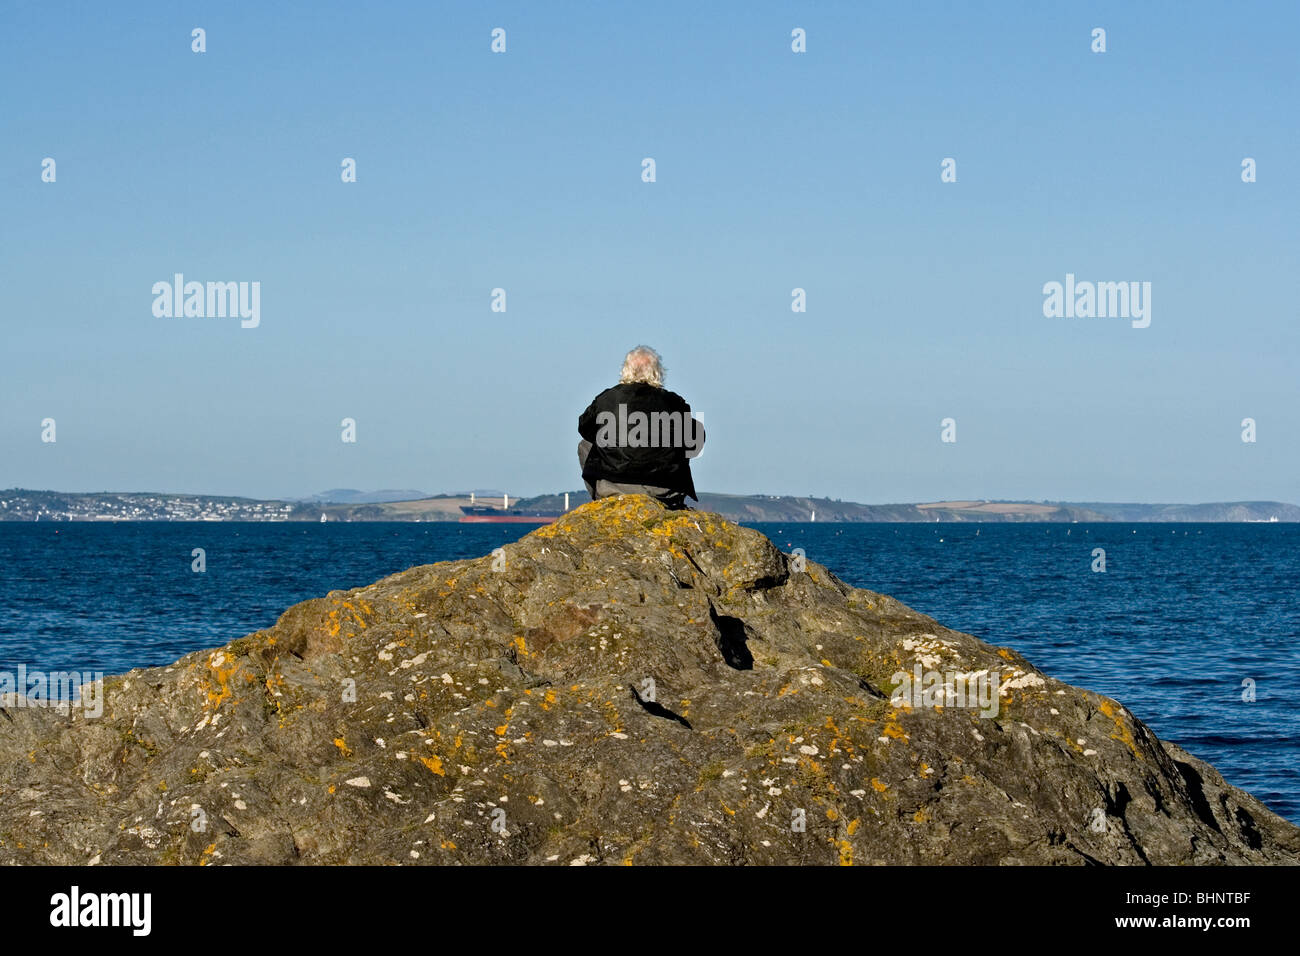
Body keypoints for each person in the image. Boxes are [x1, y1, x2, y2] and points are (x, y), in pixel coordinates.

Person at [577, 346, 705, 509]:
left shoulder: (606, 399)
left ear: (625, 370)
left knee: (585, 444)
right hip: (663, 490)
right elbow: (695, 442)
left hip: (614, 488)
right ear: (657, 372)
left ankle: (602, 503)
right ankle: (673, 502)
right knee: (687, 438)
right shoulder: (673, 402)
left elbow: (584, 428)